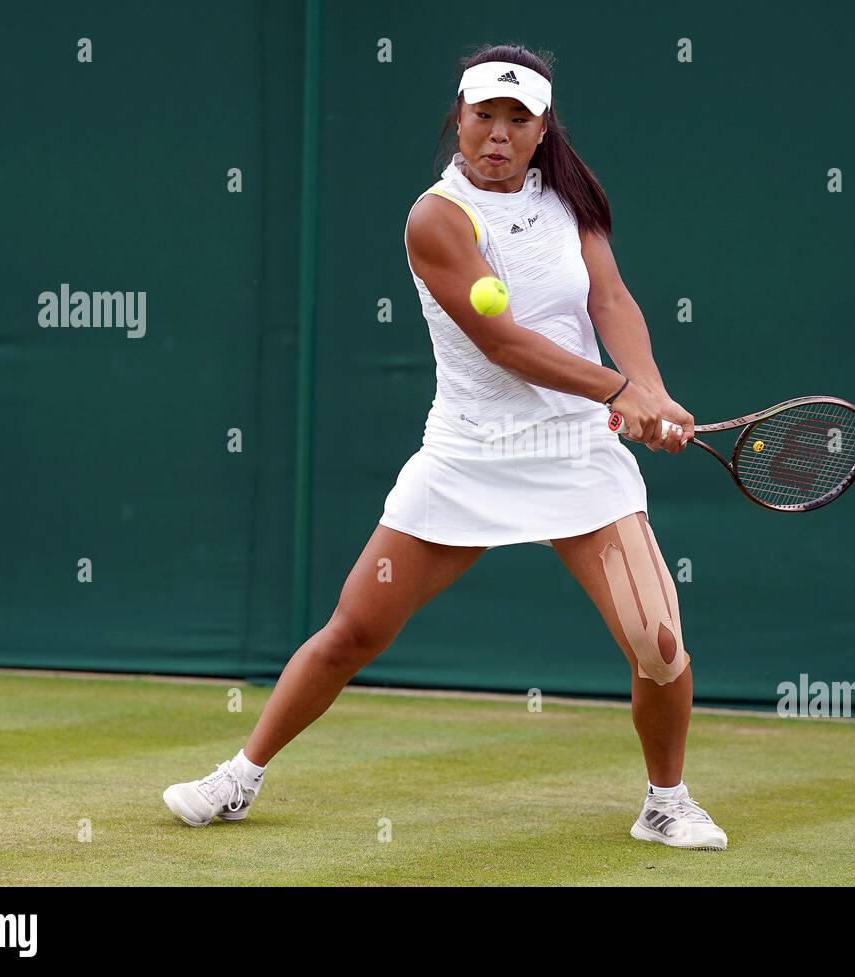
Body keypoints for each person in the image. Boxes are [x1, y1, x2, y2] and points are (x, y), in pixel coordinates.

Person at [164, 43, 728, 850]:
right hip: (467, 456)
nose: (497, 133)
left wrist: (651, 385)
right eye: (483, 116)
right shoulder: (436, 218)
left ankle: (665, 800)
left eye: (517, 118)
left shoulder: (575, 199)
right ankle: (240, 777)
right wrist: (618, 391)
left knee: (660, 643)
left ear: (542, 129)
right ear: (458, 121)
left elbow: (611, 298)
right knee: (354, 631)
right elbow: (502, 344)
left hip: (577, 457)